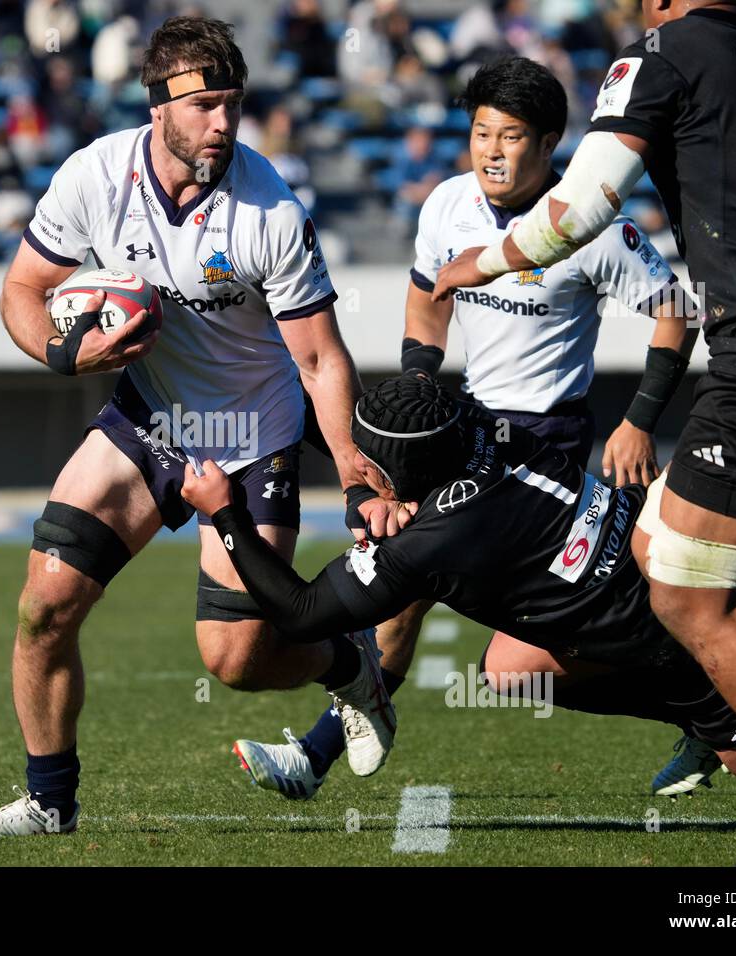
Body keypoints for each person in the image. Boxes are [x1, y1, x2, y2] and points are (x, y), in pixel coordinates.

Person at [0, 16, 402, 838]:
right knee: (43, 606)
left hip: (254, 435)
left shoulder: (271, 210)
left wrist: (354, 470)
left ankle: (348, 663)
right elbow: (21, 289)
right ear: (157, 106)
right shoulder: (95, 176)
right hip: (149, 418)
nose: (224, 124)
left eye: (233, 104)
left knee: (235, 660)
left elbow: (322, 361)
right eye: (205, 107)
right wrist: (62, 353)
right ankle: (49, 802)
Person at [432, 0, 736, 865]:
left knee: (688, 593)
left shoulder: (663, 52)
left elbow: (577, 209)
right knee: (666, 545)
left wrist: (486, 259)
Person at [239, 55, 700, 804]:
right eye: (480, 131)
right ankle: (326, 748)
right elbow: (427, 301)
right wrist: (420, 379)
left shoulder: (594, 230)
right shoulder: (447, 203)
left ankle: (704, 702)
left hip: (543, 445)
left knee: (527, 646)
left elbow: (677, 313)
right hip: (467, 426)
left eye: (510, 135)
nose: (490, 148)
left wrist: (639, 424)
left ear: (550, 144)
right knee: (408, 576)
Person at [182, 374, 736, 835]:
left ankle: (732, 735)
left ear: (394, 473)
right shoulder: (480, 427)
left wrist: (226, 515)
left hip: (671, 643)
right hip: (674, 567)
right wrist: (389, 493)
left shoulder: (430, 545)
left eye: (367, 462)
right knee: (509, 669)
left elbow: (299, 614)